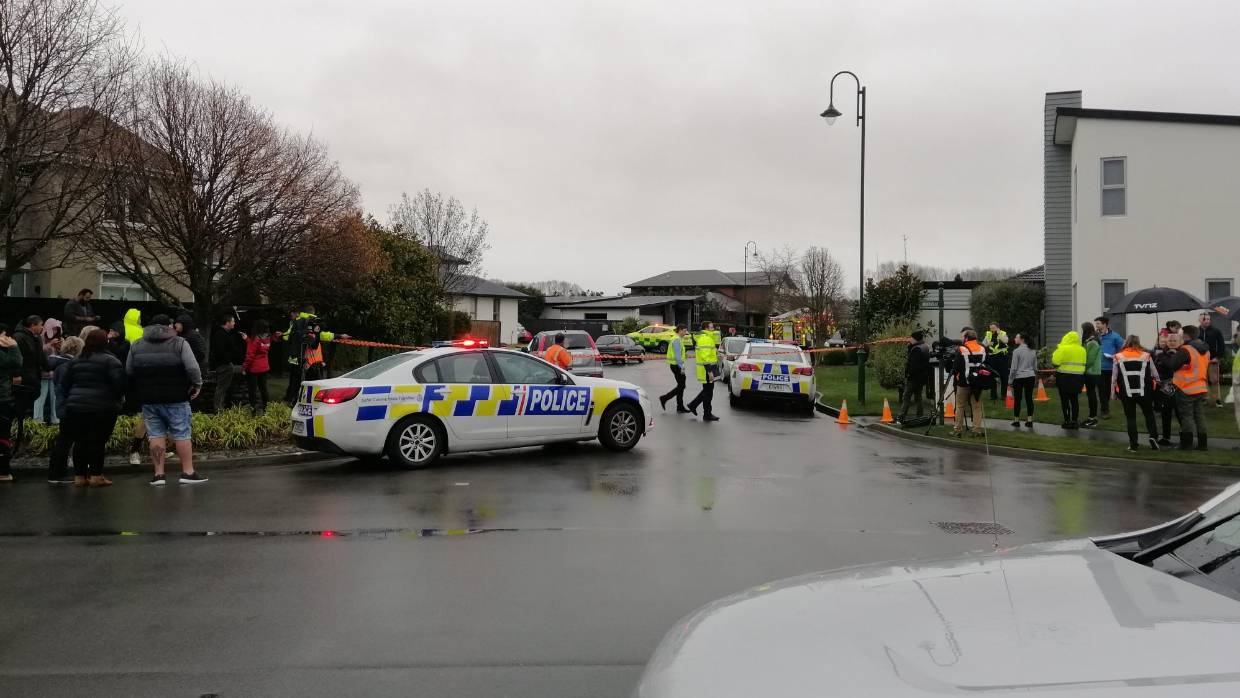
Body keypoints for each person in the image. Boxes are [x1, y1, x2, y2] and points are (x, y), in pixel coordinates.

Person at [127, 314, 207, 485]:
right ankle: (188, 472)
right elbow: (192, 368)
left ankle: (159, 474)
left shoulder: (137, 344)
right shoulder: (179, 343)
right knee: (182, 433)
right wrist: (197, 384)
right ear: (168, 326)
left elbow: (129, 370)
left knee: (155, 435)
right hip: (177, 396)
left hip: (149, 397)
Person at [57, 329, 126, 487]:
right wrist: (116, 400)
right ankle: (96, 475)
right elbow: (119, 385)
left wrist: (71, 399)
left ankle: (79, 476)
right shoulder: (111, 361)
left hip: (76, 407)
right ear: (104, 342)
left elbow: (65, 384)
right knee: (98, 441)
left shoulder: (75, 361)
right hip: (103, 407)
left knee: (80, 441)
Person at [45, 336, 85, 484]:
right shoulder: (68, 366)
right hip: (70, 407)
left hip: (64, 406)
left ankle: (57, 473)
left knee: (64, 440)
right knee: (65, 441)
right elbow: (67, 388)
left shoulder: (60, 365)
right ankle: (57, 474)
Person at [1112, 335, 1161, 452]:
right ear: (1138, 343)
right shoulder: (1146, 355)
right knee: (1149, 414)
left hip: (1126, 392)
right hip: (1145, 391)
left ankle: (1133, 444)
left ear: (1126, 343)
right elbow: (1155, 374)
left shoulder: (1118, 356)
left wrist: (1113, 393)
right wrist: (1157, 384)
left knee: (1130, 417)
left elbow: (1114, 377)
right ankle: (1153, 437)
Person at [1169, 325, 1210, 450]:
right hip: (1200, 387)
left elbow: (1173, 365)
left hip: (1186, 388)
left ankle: (1187, 443)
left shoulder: (1186, 349)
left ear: (1187, 335)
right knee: (1199, 416)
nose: (1181, 336)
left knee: (1186, 417)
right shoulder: (1206, 350)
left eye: (1182, 334)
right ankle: (1203, 444)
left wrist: (1173, 355)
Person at [0, 325, 28, 482]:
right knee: (2, 435)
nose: (7, 338)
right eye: (4, 335)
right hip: (1, 399)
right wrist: (13, 346)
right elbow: (16, 362)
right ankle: (2, 471)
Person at [949, 329, 986, 437]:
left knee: (960, 406)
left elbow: (956, 367)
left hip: (963, 382)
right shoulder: (982, 348)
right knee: (976, 407)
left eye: (963, 337)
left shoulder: (962, 349)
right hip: (977, 381)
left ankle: (957, 430)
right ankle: (976, 430)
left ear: (966, 338)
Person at [209, 312, 246, 412]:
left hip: (225, 363)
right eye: (233, 321)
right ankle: (218, 408)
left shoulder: (224, 334)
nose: (234, 323)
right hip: (223, 364)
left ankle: (220, 406)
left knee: (223, 388)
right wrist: (229, 361)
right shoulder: (220, 334)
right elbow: (221, 351)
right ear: (227, 322)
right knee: (221, 387)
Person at [1051, 329, 1086, 429]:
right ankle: (1074, 421)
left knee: (1065, 400)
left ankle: (1067, 421)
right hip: (1078, 377)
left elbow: (1055, 362)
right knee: (1074, 400)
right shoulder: (1082, 349)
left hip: (1064, 377)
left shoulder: (1063, 348)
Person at [686, 322, 719, 421]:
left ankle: (693, 406)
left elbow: (707, 354)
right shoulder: (706, 338)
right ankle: (707, 414)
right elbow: (705, 356)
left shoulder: (706, 337)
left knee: (707, 391)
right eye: (711, 327)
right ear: (706, 328)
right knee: (708, 393)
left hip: (706, 369)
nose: (713, 329)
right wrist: (709, 372)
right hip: (707, 370)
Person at [897, 330, 931, 423]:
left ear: (915, 339)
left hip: (914, 377)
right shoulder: (925, 347)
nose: (909, 339)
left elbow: (913, 365)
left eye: (911, 338)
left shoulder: (916, 349)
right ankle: (920, 416)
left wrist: (909, 374)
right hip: (922, 377)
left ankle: (901, 417)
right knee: (918, 397)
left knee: (906, 396)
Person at [1152, 331, 1179, 447]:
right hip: (1164, 388)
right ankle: (1165, 437)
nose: (1171, 343)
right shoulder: (1161, 354)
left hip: (1178, 387)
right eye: (1169, 341)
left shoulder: (1182, 353)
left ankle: (1186, 438)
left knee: (1180, 413)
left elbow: (1172, 366)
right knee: (1165, 413)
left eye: (1174, 341)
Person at [1095, 316, 1123, 419]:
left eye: (1098, 323)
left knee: (1108, 390)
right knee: (1102, 390)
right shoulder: (1095, 336)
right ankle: (1105, 410)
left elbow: (1122, 349)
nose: (1096, 326)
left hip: (1111, 368)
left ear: (1105, 324)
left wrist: (1114, 356)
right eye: (1096, 324)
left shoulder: (1115, 336)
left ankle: (1105, 407)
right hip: (1098, 368)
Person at [36, 319, 63, 424]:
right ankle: (37, 420)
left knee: (55, 397)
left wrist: (60, 348)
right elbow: (38, 352)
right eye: (53, 329)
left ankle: (55, 419)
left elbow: (63, 354)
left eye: (57, 329)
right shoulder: (40, 338)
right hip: (43, 373)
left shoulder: (60, 339)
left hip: (55, 373)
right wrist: (50, 345)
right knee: (40, 397)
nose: (55, 331)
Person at [1199, 312, 1228, 407]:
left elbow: (1221, 345)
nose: (1206, 321)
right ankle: (1205, 398)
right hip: (1200, 360)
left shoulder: (1216, 331)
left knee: (1214, 380)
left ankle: (1217, 400)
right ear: (1199, 320)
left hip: (1213, 360)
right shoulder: (1197, 331)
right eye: (1204, 319)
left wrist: (1217, 357)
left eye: (1208, 319)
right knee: (1203, 380)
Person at [243, 319, 273, 413]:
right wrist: (247, 339)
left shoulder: (255, 338)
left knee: (252, 390)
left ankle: (253, 409)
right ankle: (267, 408)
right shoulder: (268, 337)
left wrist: (244, 367)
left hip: (254, 368)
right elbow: (258, 347)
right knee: (263, 389)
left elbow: (250, 354)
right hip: (264, 367)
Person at [1008, 333, 1037, 428]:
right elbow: (1035, 366)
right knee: (1029, 398)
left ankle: (1016, 420)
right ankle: (1030, 420)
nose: (1015, 339)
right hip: (1030, 376)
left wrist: (1010, 380)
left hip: (1019, 377)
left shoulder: (1017, 351)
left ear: (1022, 339)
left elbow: (1013, 368)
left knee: (1018, 399)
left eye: (1017, 337)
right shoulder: (1033, 350)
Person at [658, 325, 690, 413]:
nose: (685, 333)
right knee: (681, 386)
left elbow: (678, 353)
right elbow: (677, 356)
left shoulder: (677, 339)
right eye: (684, 331)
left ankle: (680, 406)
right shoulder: (676, 340)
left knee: (681, 385)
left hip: (676, 365)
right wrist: (682, 367)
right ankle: (664, 398)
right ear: (680, 330)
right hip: (677, 366)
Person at [1080, 322, 1102, 428]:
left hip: (1091, 372)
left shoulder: (1092, 342)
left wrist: (1083, 368)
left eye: (1082, 329)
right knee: (1091, 394)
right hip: (1092, 371)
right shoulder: (1091, 340)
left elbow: (1090, 359)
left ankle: (1093, 418)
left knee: (1092, 394)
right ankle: (1091, 417)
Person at [982, 323, 1010, 402]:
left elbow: (1006, 341)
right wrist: (987, 344)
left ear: (998, 328)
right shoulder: (988, 334)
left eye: (993, 328)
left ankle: (1004, 395)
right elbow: (983, 344)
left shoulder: (1003, 333)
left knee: (1004, 376)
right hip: (992, 358)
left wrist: (999, 334)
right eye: (990, 328)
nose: (992, 330)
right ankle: (993, 395)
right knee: (992, 376)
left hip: (1002, 357)